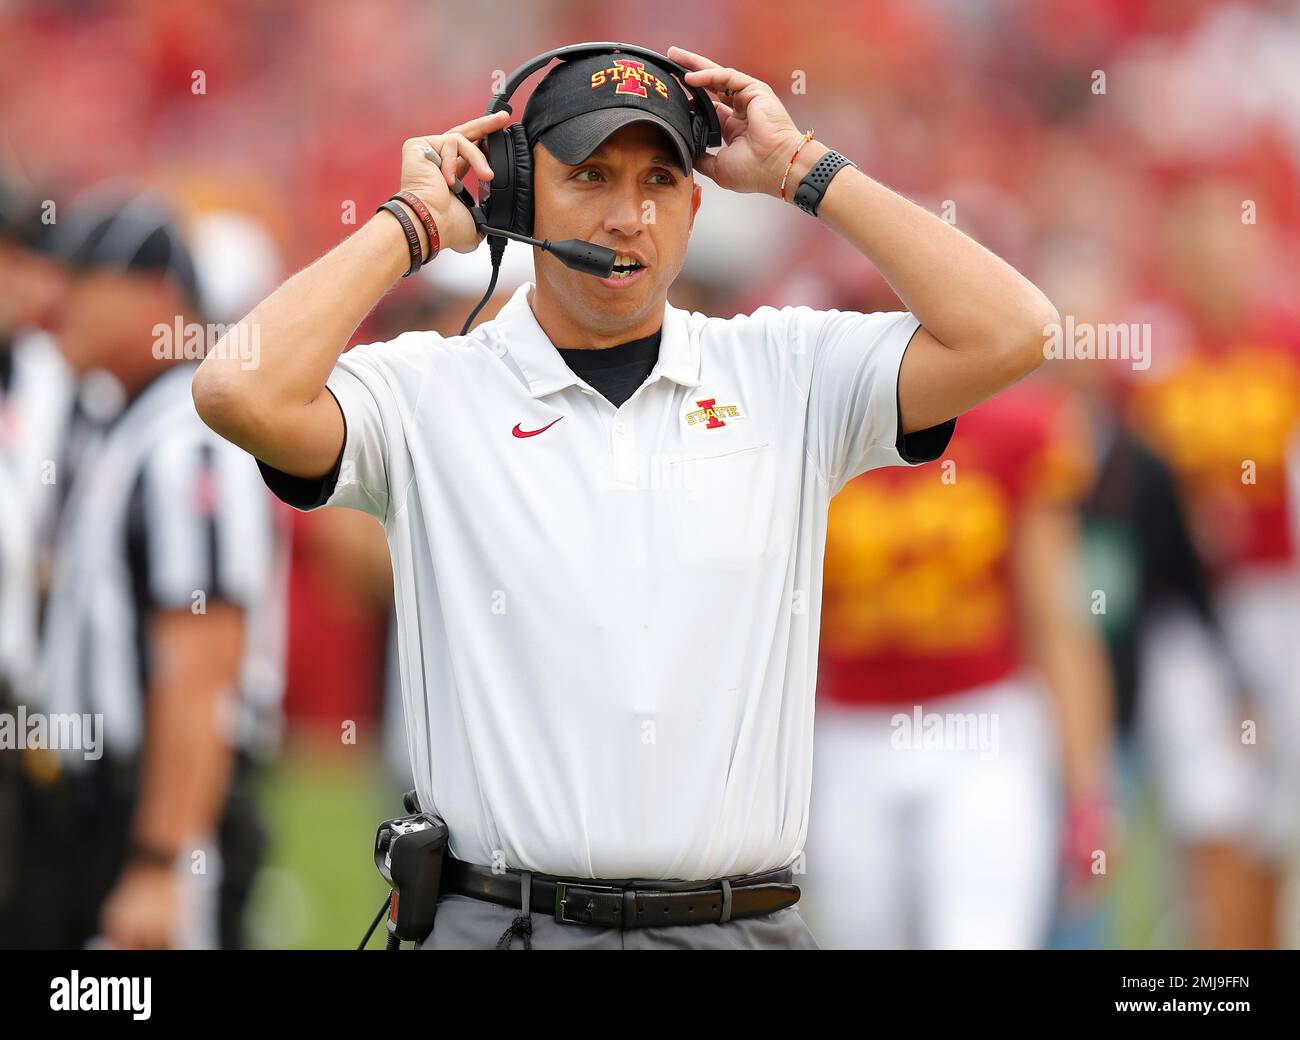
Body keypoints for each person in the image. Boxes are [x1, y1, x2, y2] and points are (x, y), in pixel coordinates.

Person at [193, 43, 1058, 950]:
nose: (627, 216)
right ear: (521, 200)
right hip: (506, 926)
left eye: (658, 180)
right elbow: (236, 392)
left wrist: (806, 169)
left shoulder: (787, 369)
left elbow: (1016, 330)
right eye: (591, 177)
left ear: (693, 205)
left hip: (741, 926)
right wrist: (408, 222)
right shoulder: (429, 390)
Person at [32, 195, 287, 949]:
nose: (59, 299)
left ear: (156, 295)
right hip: (103, 808)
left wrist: (158, 861)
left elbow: (199, 665)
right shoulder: (132, 422)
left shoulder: (191, 440)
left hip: (155, 810)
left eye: (84, 279)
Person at [804, 374, 1114, 949]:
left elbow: (1056, 620)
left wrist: (1086, 793)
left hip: (982, 729)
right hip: (846, 732)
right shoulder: (816, 414)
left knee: (979, 936)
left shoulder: (1016, 427)